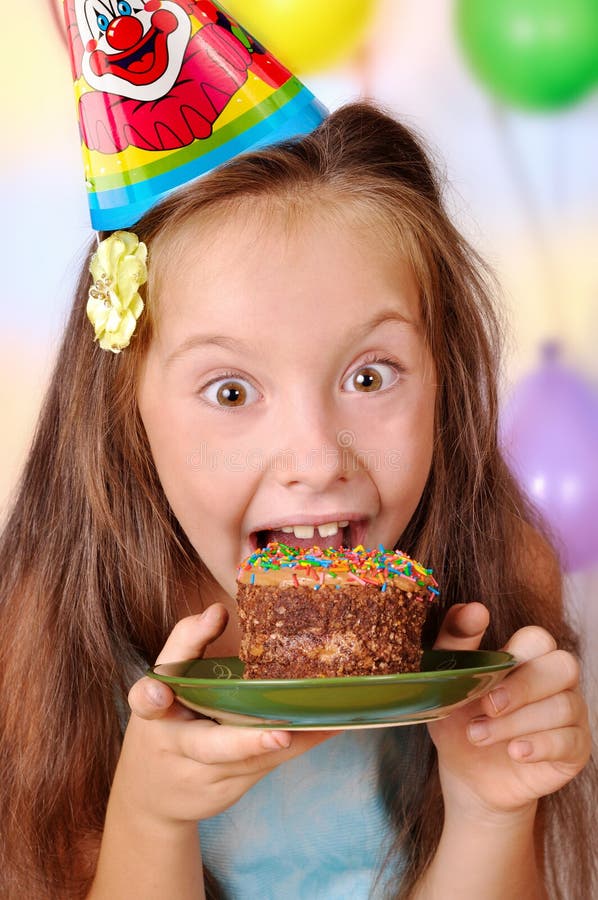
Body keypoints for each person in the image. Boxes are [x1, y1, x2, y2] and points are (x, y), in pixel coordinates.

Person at [0, 101, 595, 900]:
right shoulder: (52, 626)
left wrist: (489, 809)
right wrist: (151, 818)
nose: (317, 461)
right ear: (123, 412)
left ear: (443, 376)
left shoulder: (497, 583)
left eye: (369, 377)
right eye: (233, 389)